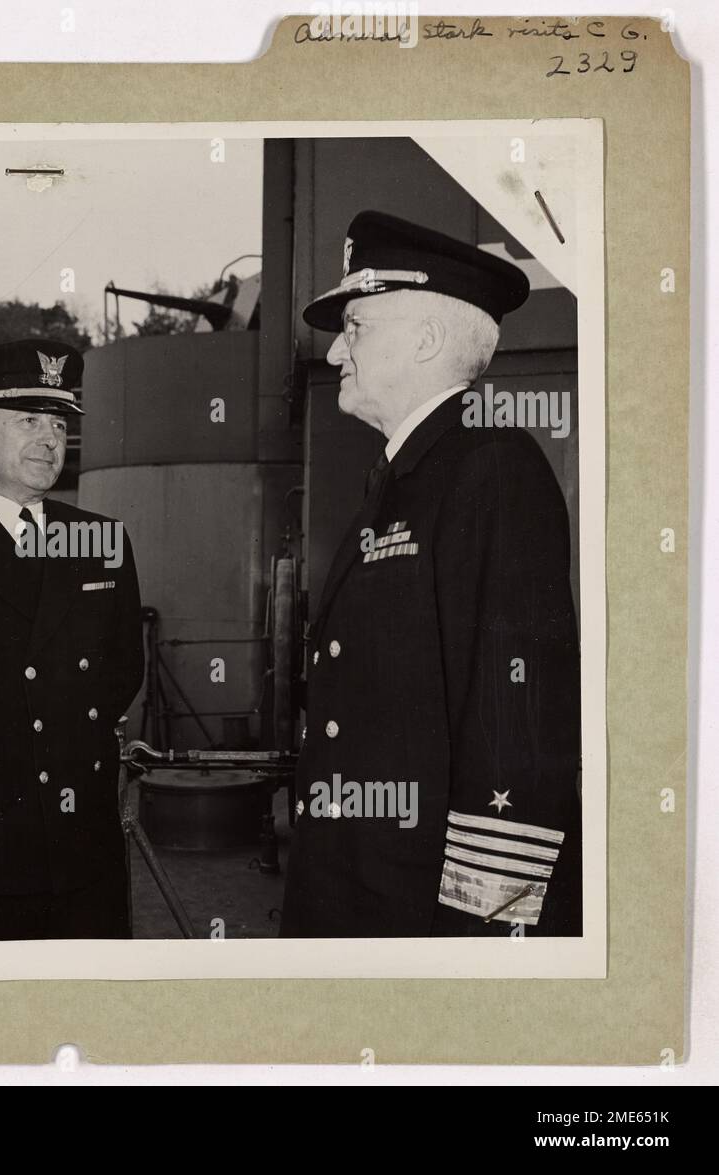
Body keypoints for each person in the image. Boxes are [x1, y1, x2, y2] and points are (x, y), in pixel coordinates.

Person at [279, 210, 582, 938]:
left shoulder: (493, 470)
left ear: (426, 339)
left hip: (420, 915)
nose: (335, 353)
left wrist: (483, 934)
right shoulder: (403, 479)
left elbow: (516, 726)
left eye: (357, 328)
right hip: (357, 889)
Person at [0, 339, 144, 940]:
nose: (49, 439)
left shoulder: (102, 539)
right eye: (28, 420)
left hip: (87, 850)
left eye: (57, 423)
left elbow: (120, 671)